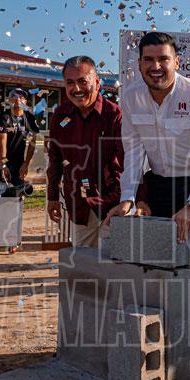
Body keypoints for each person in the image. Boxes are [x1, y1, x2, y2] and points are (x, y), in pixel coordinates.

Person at [104, 31, 190, 374]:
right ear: (139, 63)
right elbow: (133, 151)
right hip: (159, 184)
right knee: (157, 264)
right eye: (148, 60)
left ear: (176, 62)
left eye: (163, 59)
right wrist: (128, 198)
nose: (155, 67)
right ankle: (159, 340)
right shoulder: (130, 97)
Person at [46, 56, 124, 248]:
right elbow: (55, 158)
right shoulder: (60, 116)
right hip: (80, 206)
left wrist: (129, 200)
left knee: (112, 268)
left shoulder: (114, 115)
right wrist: (53, 196)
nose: (77, 89)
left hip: (112, 207)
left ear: (96, 82)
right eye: (70, 82)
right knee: (83, 267)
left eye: (82, 81)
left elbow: (128, 162)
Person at [0, 88, 39, 245]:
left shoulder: (30, 118)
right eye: (13, 96)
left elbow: (32, 142)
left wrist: (26, 164)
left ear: (26, 101)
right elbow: (2, 142)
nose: (17, 99)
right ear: (9, 100)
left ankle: (11, 232)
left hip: (19, 163)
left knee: (15, 196)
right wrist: (3, 164)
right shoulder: (4, 117)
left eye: (21, 97)